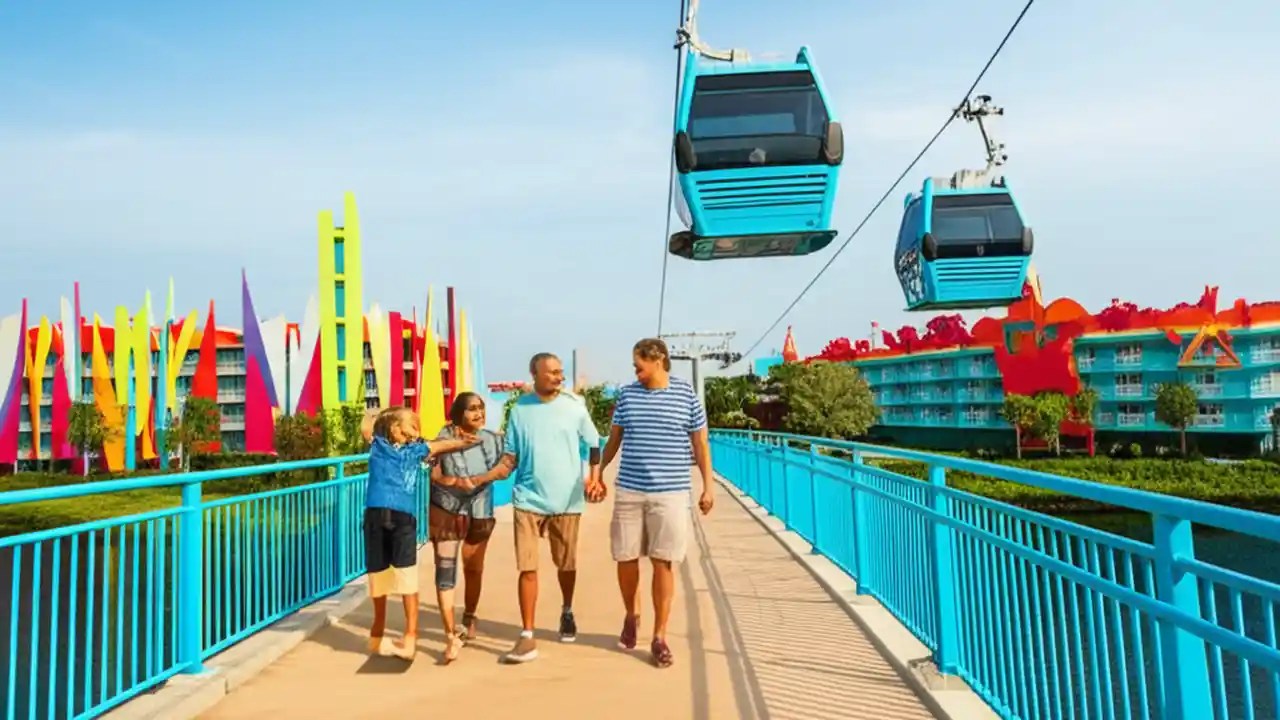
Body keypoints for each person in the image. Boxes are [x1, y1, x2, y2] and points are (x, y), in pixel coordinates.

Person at [600, 338, 714, 668]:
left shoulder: (686, 396)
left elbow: (701, 444)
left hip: (671, 492)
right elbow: (614, 439)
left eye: (639, 364)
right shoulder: (627, 395)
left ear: (658, 359)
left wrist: (708, 487)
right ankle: (631, 614)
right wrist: (599, 471)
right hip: (630, 491)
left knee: (664, 562)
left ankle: (659, 636)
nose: (635, 370)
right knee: (625, 558)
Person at [499, 352, 604, 664]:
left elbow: (595, 443)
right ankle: (527, 634)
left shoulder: (574, 406)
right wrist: (480, 476)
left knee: (566, 564)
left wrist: (594, 479)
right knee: (527, 566)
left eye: (561, 372)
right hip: (527, 499)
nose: (559, 377)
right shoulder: (520, 410)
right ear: (535, 373)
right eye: (553, 373)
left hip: (567, 500)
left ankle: (567, 609)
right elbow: (510, 455)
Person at [359, 406, 477, 660]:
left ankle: (410, 636)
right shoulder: (379, 446)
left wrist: (461, 442)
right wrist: (376, 412)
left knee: (406, 578)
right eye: (412, 426)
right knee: (378, 576)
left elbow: (439, 446)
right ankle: (377, 632)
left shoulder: (416, 450)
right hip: (375, 518)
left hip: (403, 520)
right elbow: (367, 428)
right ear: (394, 428)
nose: (417, 432)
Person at [429, 391, 514, 663]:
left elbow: (508, 463)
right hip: (445, 510)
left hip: (480, 509)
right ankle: (449, 631)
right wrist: (453, 483)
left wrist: (482, 478)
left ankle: (469, 616)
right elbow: (432, 470)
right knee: (445, 569)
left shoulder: (491, 439)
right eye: (472, 409)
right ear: (458, 413)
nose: (479, 413)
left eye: (481, 408)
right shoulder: (442, 439)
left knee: (473, 565)